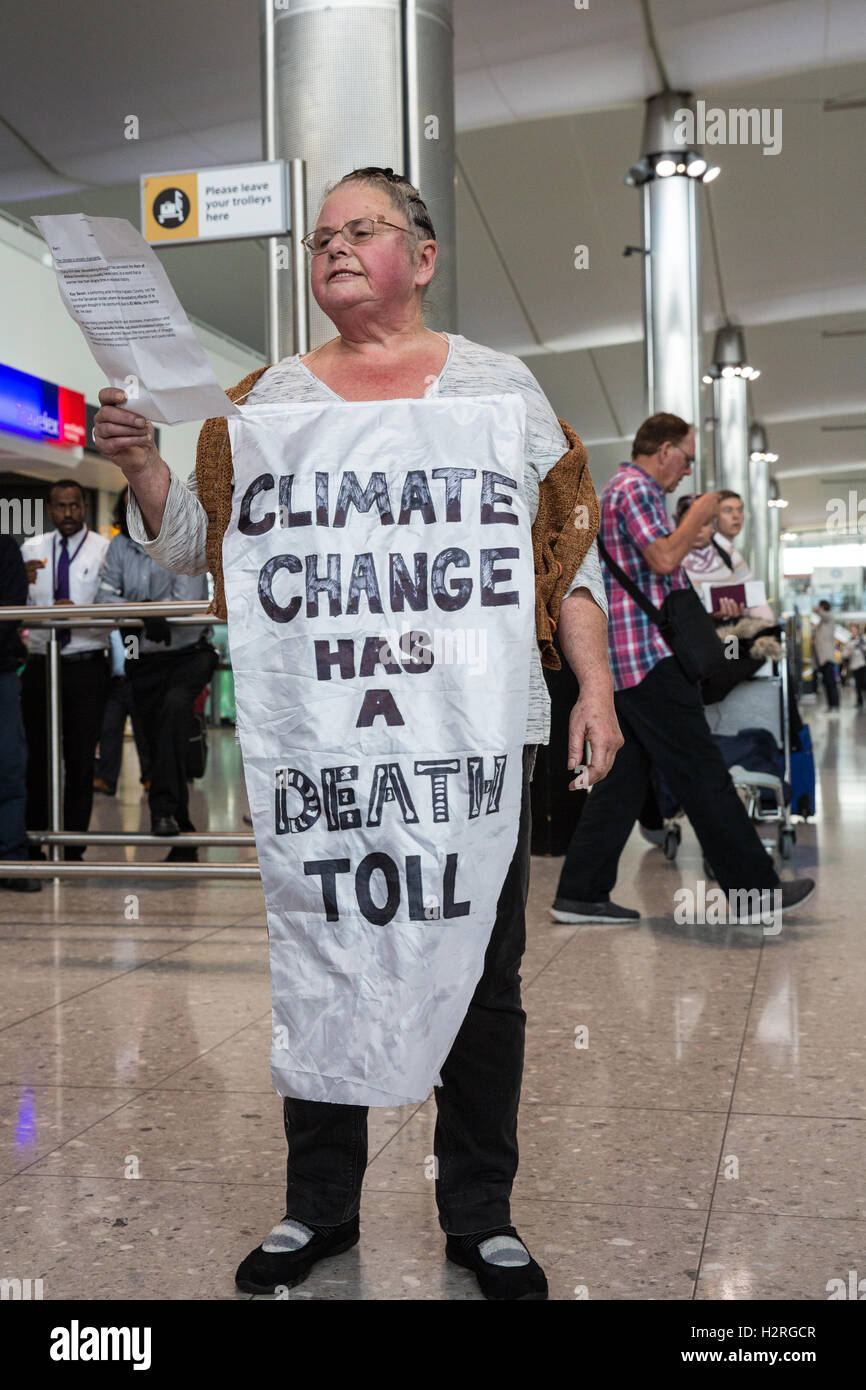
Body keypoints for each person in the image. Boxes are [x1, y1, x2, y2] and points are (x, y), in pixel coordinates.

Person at [90, 166, 623, 1301]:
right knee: (327, 946)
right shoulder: (269, 400)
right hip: (327, 738)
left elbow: (556, 566)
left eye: (360, 229)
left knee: (482, 974)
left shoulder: (498, 390)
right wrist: (140, 461)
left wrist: (595, 690)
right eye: (321, 235)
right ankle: (317, 1208)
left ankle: (478, 1213)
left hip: (472, 741)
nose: (332, 247)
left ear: (420, 257)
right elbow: (197, 545)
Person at [550, 412, 815, 926]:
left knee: (623, 780)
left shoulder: (622, 489)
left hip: (627, 661)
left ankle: (580, 892)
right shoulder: (635, 486)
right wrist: (704, 511)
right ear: (664, 449)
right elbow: (665, 558)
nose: (687, 471)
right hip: (648, 660)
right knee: (702, 771)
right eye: (687, 459)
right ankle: (754, 892)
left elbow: (653, 562)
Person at [96, 487, 215, 859]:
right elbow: (103, 599)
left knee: (174, 711)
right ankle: (181, 832)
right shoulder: (120, 547)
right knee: (156, 737)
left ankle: (163, 811)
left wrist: (138, 612)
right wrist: (146, 611)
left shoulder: (183, 542)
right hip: (143, 657)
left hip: (189, 653)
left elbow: (185, 604)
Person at [20, 481, 110, 861]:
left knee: (79, 756)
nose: (68, 513)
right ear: (50, 509)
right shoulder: (31, 550)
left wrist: (79, 614)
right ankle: (37, 837)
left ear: (85, 506)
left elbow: (113, 609)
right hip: (41, 664)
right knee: (38, 756)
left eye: (74, 506)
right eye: (60, 507)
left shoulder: (104, 550)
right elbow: (19, 605)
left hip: (85, 665)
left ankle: (73, 843)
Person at [0, 535, 41, 892]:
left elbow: (11, 610)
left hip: (1, 672)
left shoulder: (5, 549)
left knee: (9, 766)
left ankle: (11, 859)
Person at [704, 489, 773, 621]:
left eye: (739, 510)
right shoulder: (709, 553)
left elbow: (753, 599)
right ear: (714, 517)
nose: (736, 516)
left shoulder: (732, 553)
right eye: (728, 511)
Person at [812, 601, 839, 711]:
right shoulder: (822, 622)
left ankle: (835, 705)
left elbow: (824, 615)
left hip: (827, 657)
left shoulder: (829, 617)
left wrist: (818, 609)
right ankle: (830, 705)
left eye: (820, 606)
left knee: (831, 683)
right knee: (826, 683)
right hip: (821, 659)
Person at [845, 624, 866, 709]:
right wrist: (849, 652)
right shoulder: (849, 641)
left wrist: (862, 647)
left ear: (857, 630)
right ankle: (859, 701)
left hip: (863, 664)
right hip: (854, 665)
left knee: (864, 682)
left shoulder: (863, 639)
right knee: (857, 685)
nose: (853, 631)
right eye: (852, 630)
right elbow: (844, 654)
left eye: (854, 630)